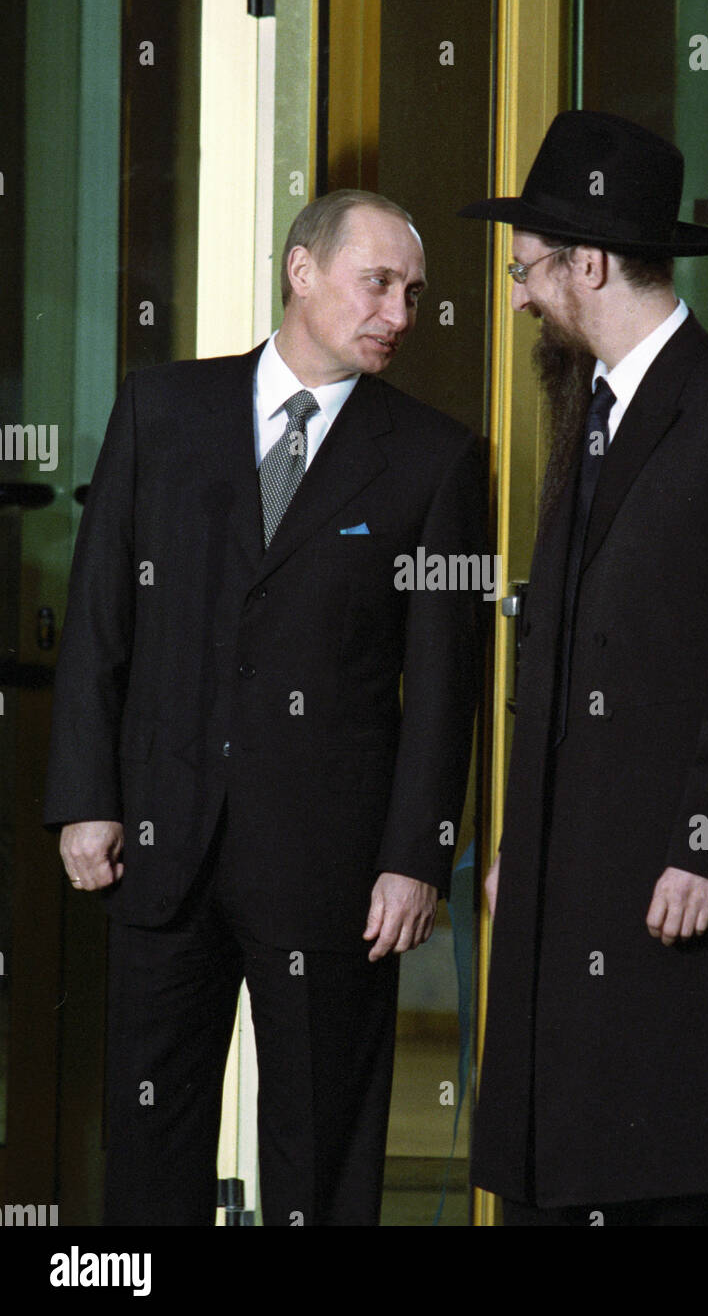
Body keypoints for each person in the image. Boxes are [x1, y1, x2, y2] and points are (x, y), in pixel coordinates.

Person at [43, 189, 486, 1227]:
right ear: (302, 270)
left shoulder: (436, 456)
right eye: (379, 282)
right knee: (151, 1142)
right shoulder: (162, 408)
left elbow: (445, 683)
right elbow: (101, 616)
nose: (402, 313)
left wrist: (417, 854)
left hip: (331, 868)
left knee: (322, 1149)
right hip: (160, 844)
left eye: (415, 294)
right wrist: (84, 795)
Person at [458, 111, 708, 1226]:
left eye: (529, 270)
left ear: (591, 262)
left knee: (680, 1179)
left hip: (679, 894)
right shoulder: (590, 416)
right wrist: (514, 845)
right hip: (573, 891)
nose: (521, 295)